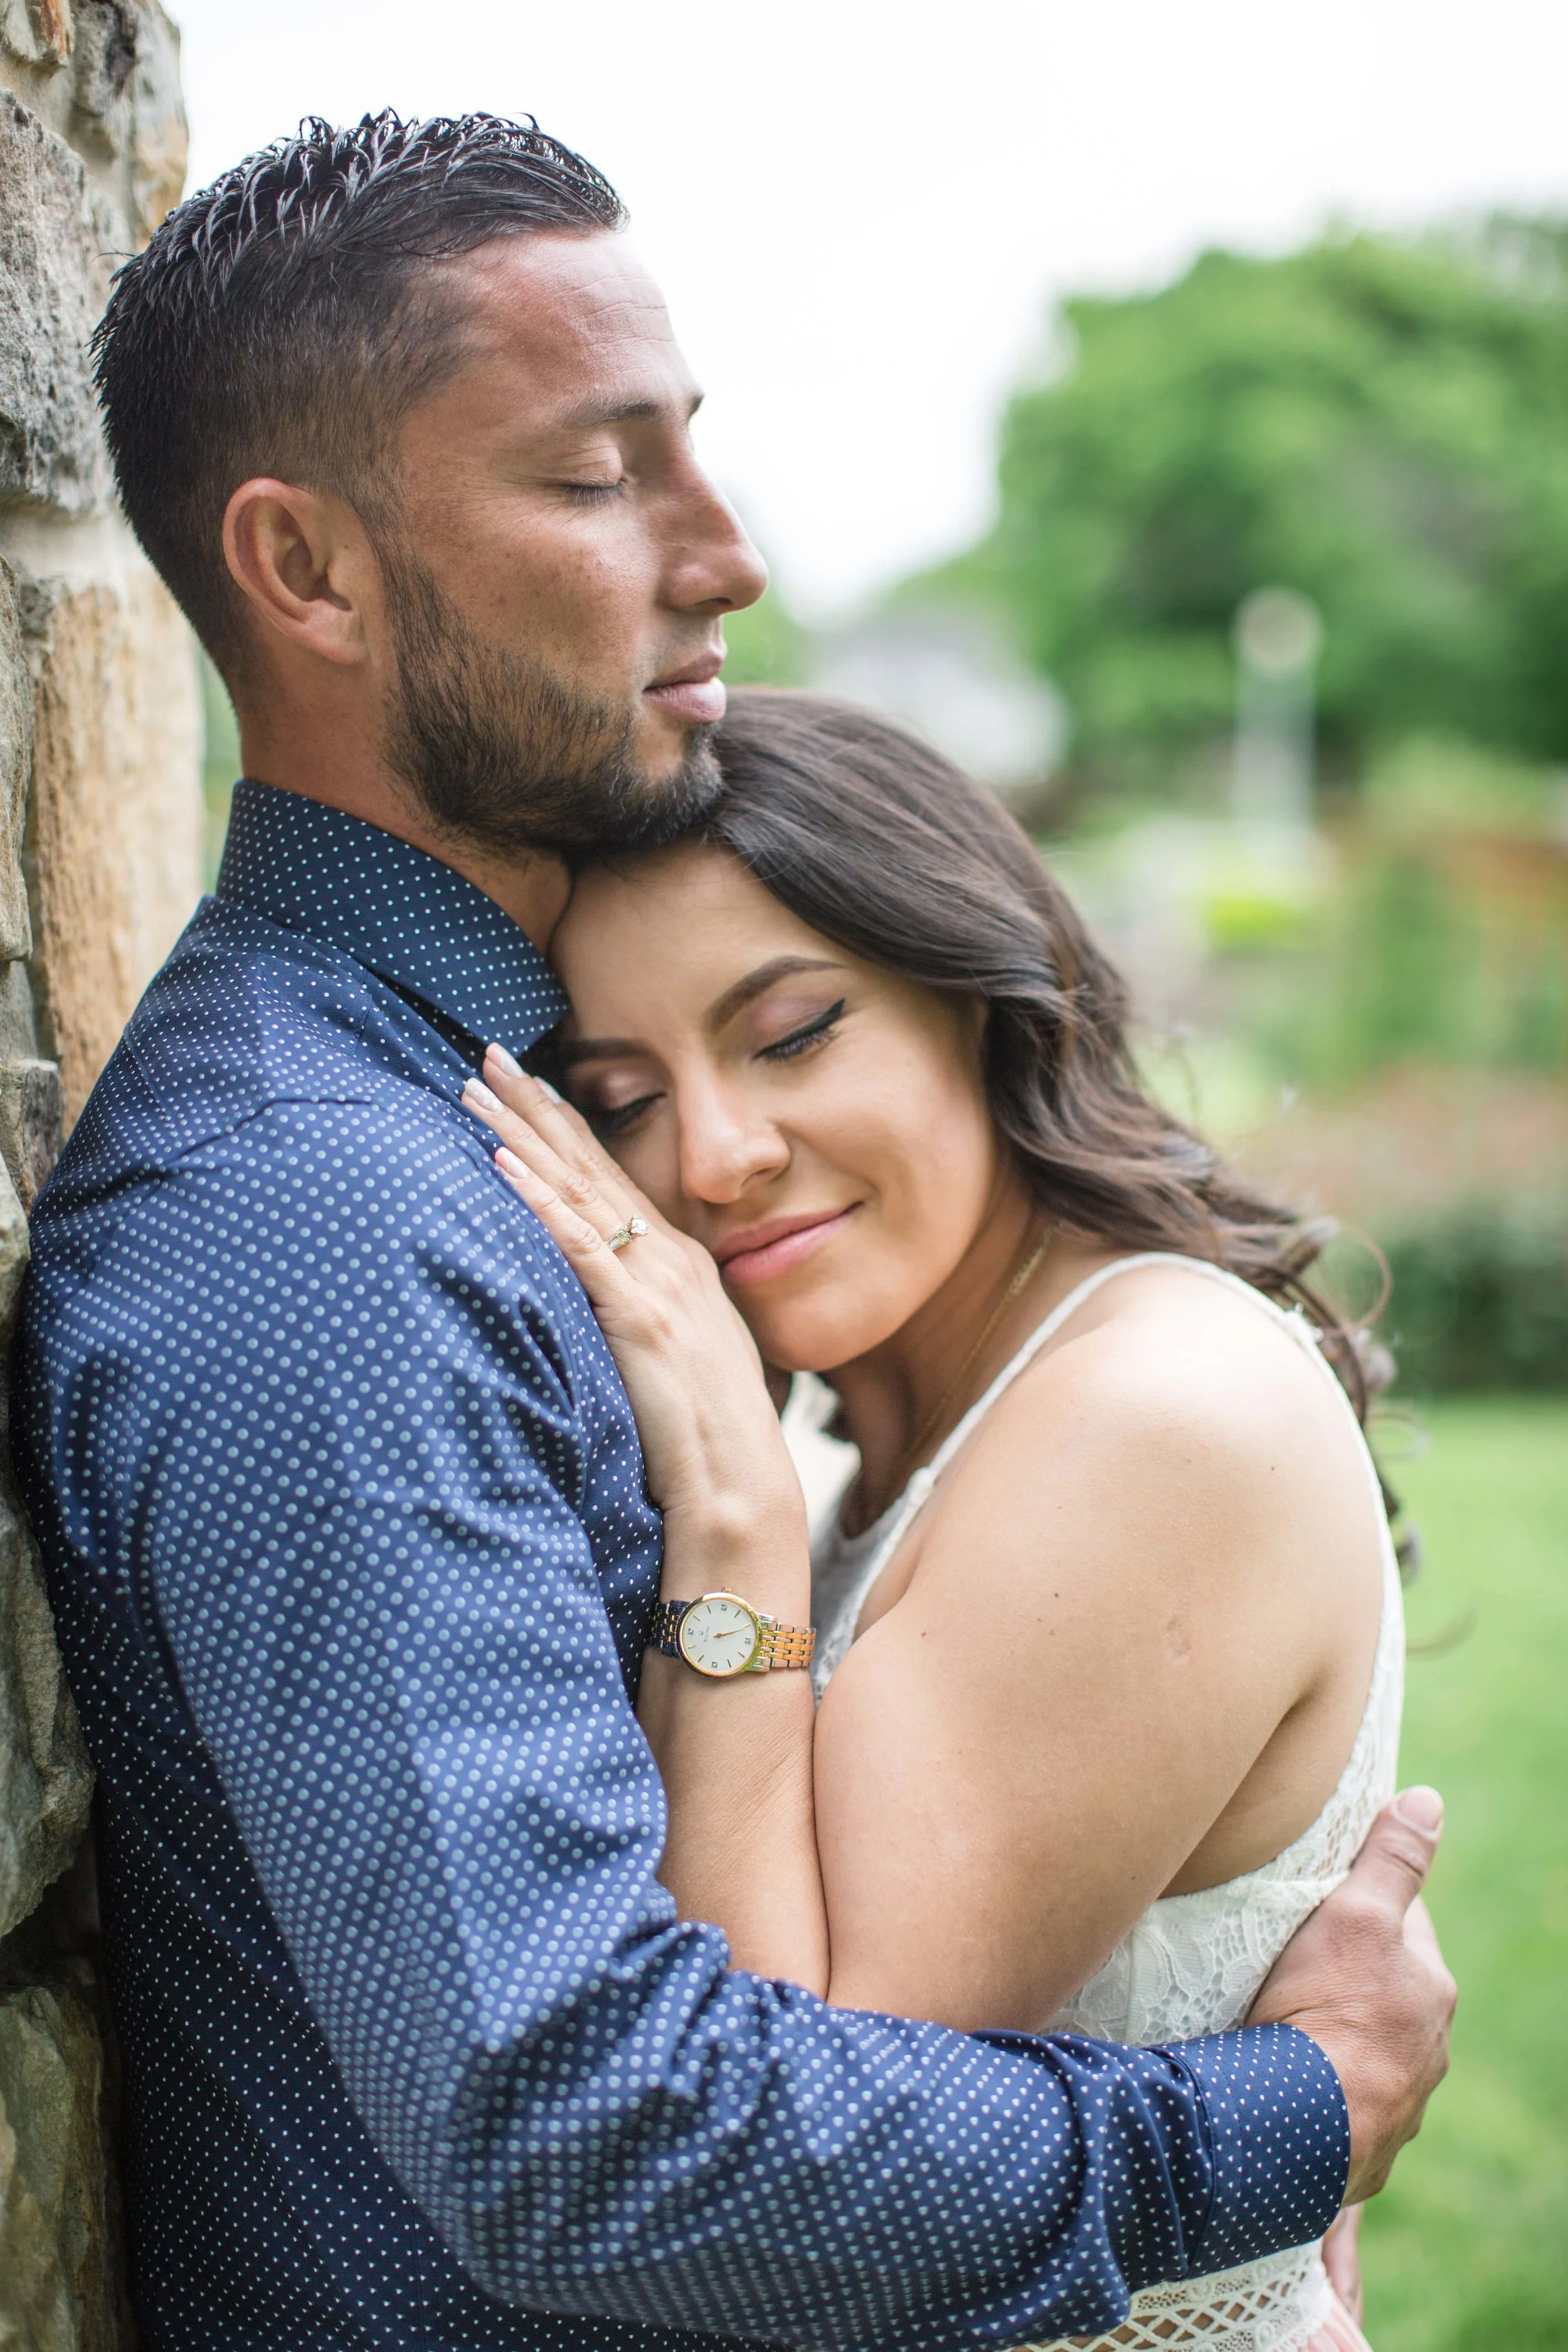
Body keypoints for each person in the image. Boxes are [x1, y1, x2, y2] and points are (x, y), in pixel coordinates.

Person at [17, 112, 1451, 2352]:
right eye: (598, 480)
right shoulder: (320, 1214)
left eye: (696, 457)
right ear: (305, 572)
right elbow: (588, 2123)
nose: (726, 554)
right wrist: (1266, 2128)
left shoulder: (466, 1114)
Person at [458, 686, 1429, 2349]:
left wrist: (732, 1529)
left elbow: (783, 2142)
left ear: (972, 995)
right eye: (616, 1093)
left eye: (788, 1032)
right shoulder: (855, 1449)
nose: (714, 1155)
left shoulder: (1150, 1414)